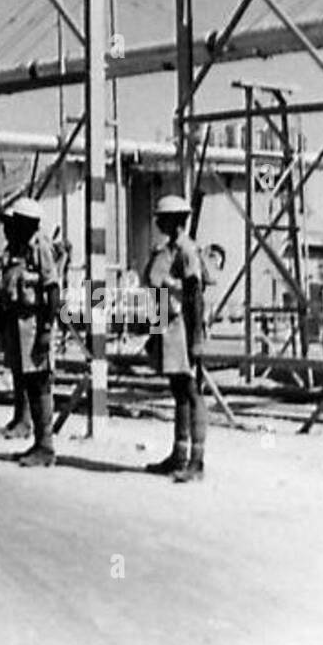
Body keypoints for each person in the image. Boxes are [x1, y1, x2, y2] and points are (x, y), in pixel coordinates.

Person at [142, 193, 208, 483]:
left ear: (176, 220)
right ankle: (178, 454)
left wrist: (196, 340)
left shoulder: (187, 250)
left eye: (162, 218)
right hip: (166, 325)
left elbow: (194, 296)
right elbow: (155, 286)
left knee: (191, 392)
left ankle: (197, 460)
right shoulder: (167, 249)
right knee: (178, 390)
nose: (157, 222)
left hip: (182, 327)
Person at [0, 199, 60, 464]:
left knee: (40, 382)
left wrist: (46, 329)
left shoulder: (40, 247)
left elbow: (53, 290)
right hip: (19, 325)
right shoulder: (17, 249)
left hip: (35, 323)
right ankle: (36, 441)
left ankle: (46, 446)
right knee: (28, 382)